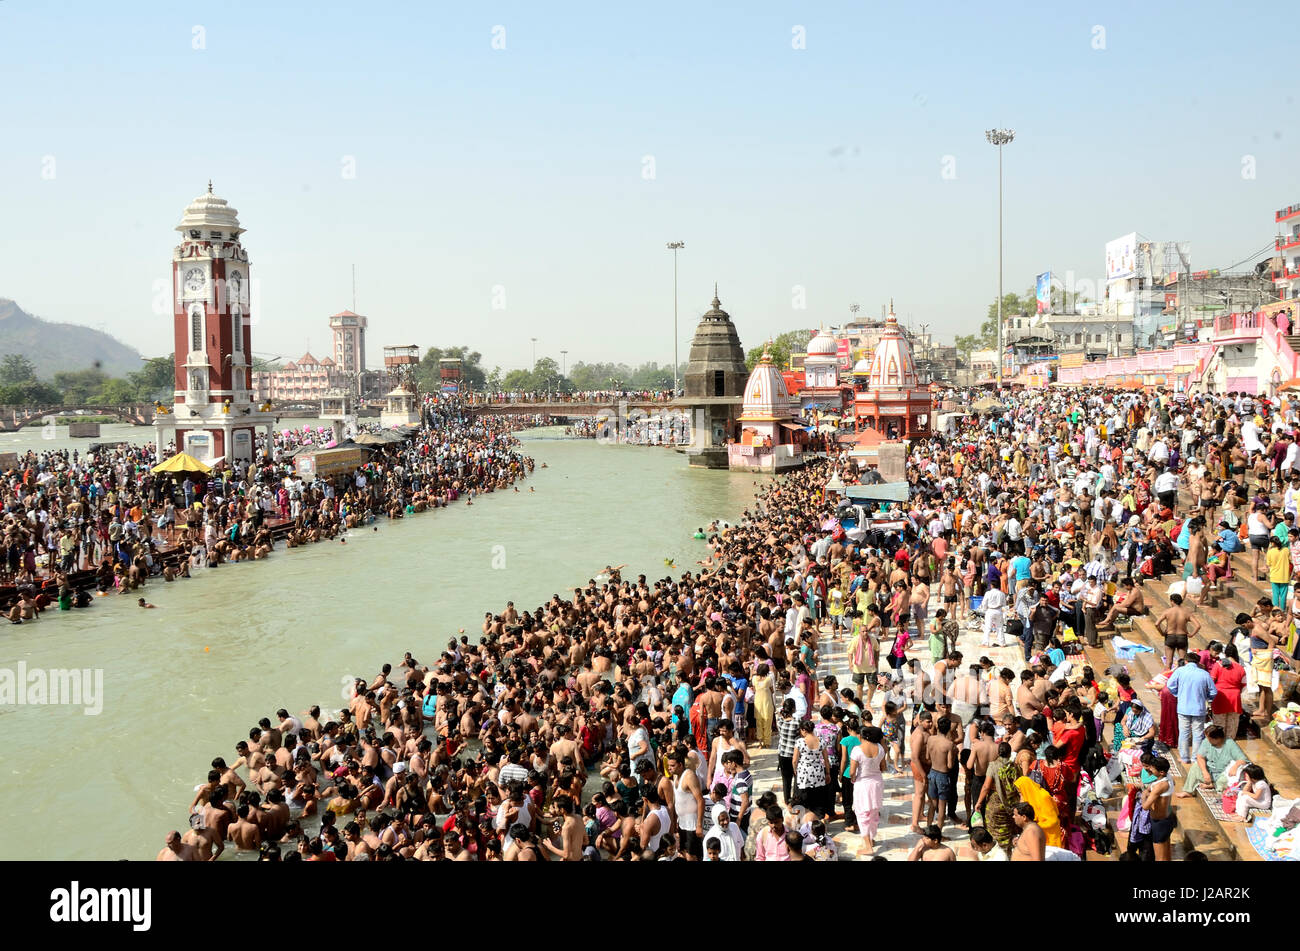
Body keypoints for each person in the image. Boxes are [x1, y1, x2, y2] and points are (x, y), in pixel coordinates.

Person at [1166, 657, 1216, 765]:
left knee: (1184, 733)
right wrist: (1206, 698)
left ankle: (1184, 758)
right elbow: (1213, 692)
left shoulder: (1180, 671)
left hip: (1183, 708)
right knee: (1198, 734)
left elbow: (1170, 685)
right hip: (1199, 708)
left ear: (1186, 661)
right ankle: (1195, 759)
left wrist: (1177, 694)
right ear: (1198, 662)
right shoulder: (1204, 674)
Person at [1176, 725, 1247, 798]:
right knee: (1195, 766)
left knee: (1224, 781)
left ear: (1217, 739)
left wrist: (1235, 767)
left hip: (1223, 773)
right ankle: (1188, 791)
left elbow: (1242, 759)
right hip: (1209, 771)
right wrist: (1205, 772)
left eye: (1209, 739)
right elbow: (1200, 757)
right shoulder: (1206, 742)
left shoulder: (1230, 743)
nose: (1207, 740)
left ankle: (1213, 785)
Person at [848, 725, 885, 854]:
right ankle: (871, 838)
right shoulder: (880, 748)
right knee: (874, 813)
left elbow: (852, 771)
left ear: (862, 736)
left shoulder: (857, 750)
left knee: (862, 814)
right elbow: (883, 767)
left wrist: (853, 778)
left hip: (862, 784)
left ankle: (868, 846)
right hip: (877, 783)